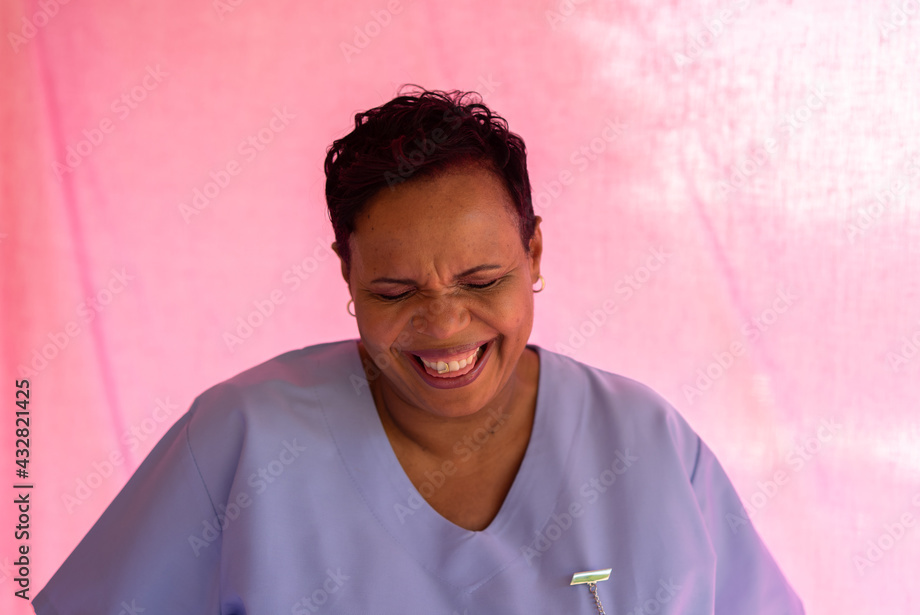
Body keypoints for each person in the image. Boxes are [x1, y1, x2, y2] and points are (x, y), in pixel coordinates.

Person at [34, 88, 805, 614]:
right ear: (348, 273)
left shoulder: (647, 445)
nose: (444, 325)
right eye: (396, 292)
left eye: (483, 278)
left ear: (534, 252)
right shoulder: (242, 438)